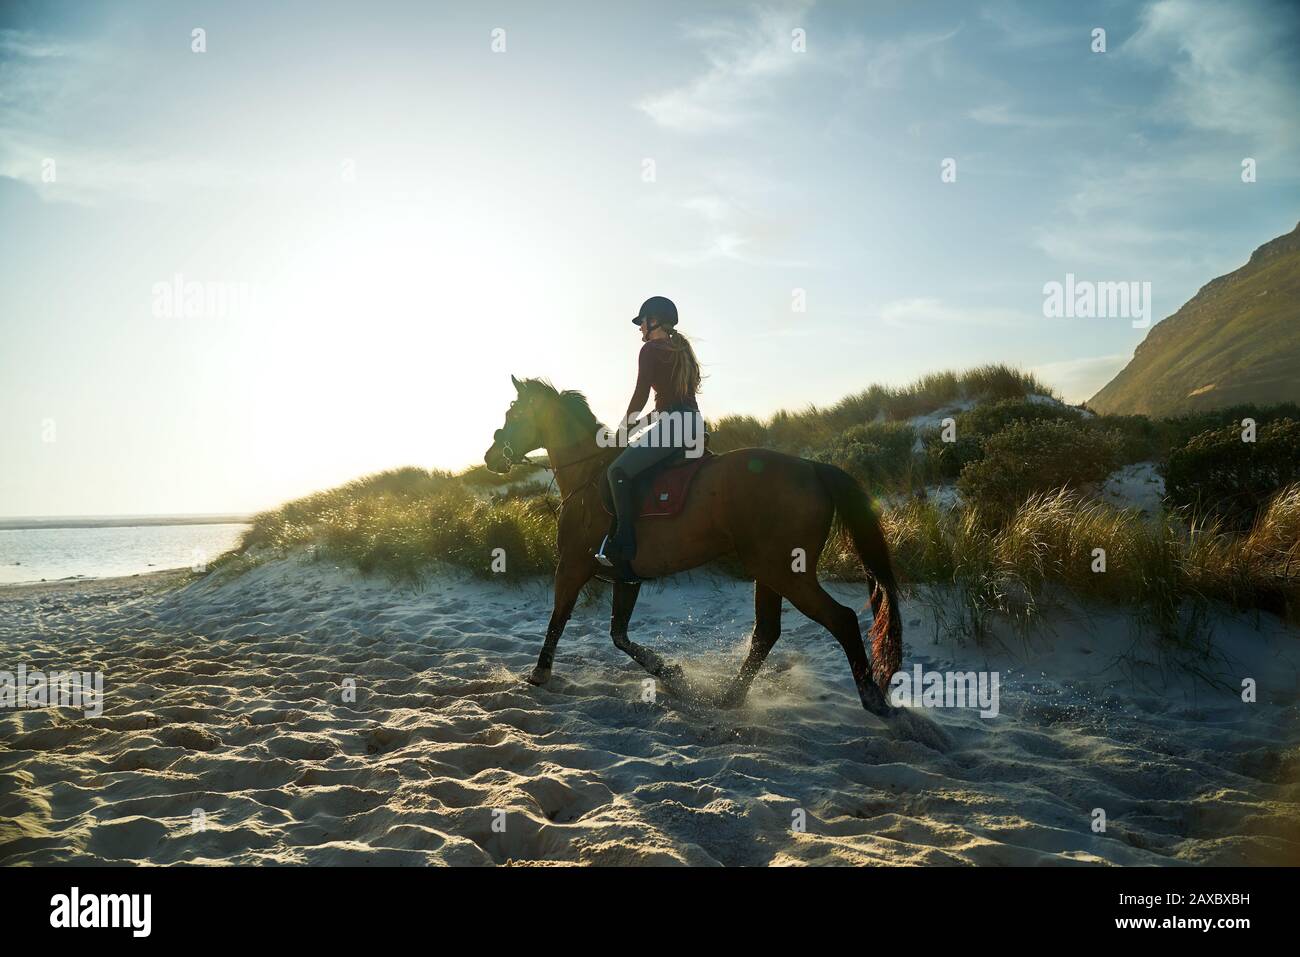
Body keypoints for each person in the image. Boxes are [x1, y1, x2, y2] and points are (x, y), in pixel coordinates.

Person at [595, 296, 704, 574]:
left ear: (653, 320)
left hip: (674, 425)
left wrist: (623, 428)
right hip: (693, 423)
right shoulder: (682, 349)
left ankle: (625, 542)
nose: (640, 328)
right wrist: (639, 424)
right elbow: (670, 404)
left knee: (617, 470)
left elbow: (641, 395)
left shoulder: (651, 350)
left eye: (641, 322)